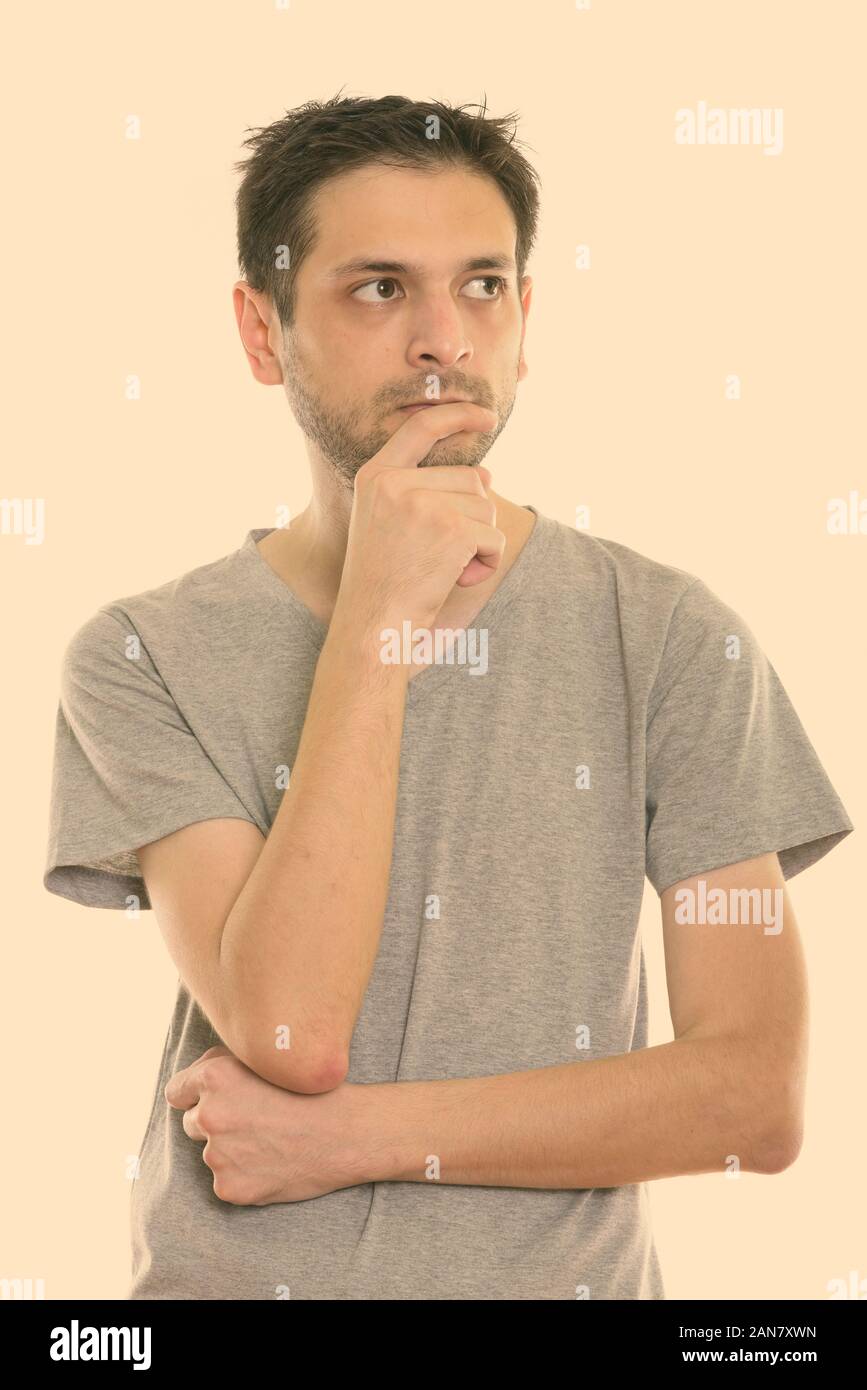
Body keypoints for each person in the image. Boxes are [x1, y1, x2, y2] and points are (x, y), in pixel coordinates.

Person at [44, 94, 853, 1301]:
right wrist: (377, 624)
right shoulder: (143, 654)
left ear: (528, 320)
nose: (443, 338)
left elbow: (751, 1099)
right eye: (378, 288)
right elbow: (287, 1033)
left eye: (483, 286)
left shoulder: (673, 638)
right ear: (261, 332)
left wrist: (359, 1137)